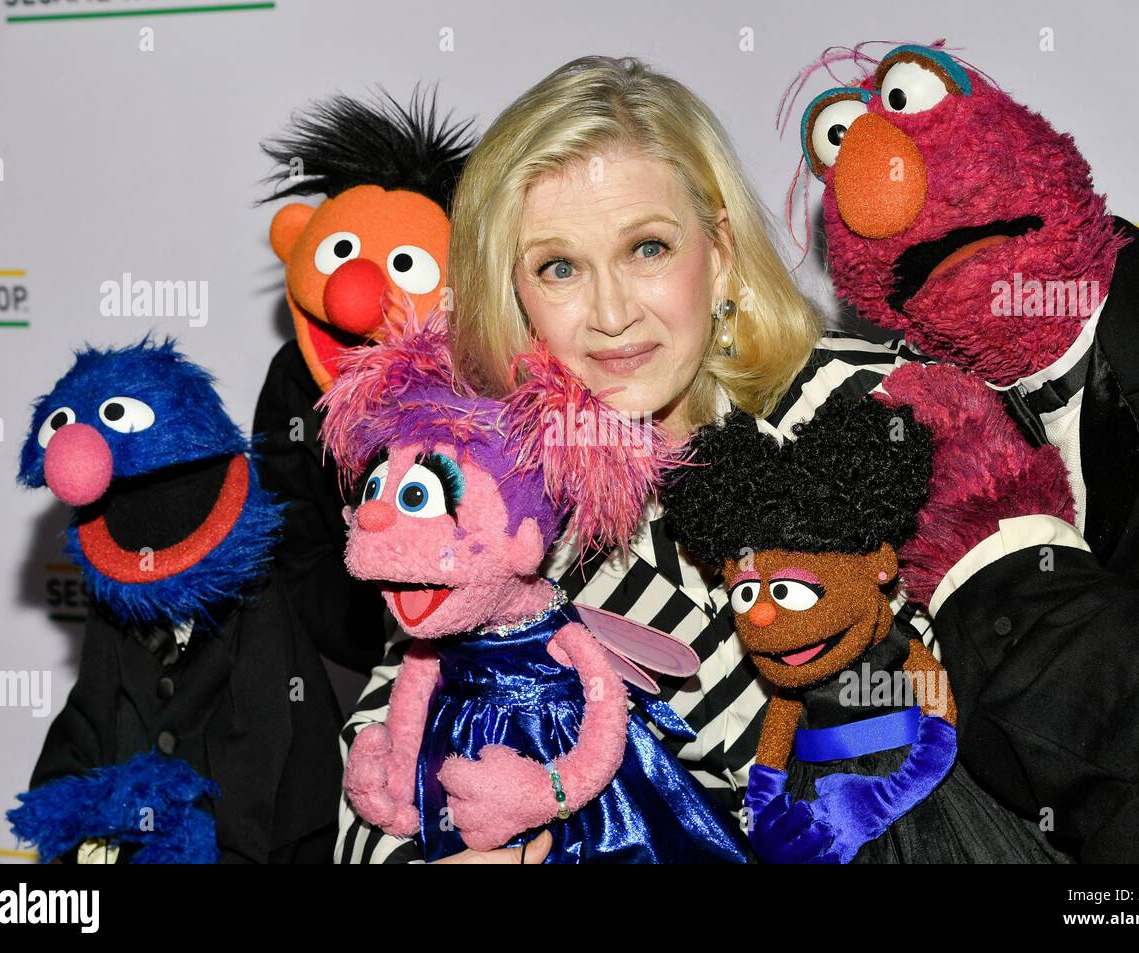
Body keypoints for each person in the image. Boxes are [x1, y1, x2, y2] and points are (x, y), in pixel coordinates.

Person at [335, 54, 1061, 863]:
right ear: (513, 293)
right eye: (560, 267)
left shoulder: (880, 407)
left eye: (647, 248)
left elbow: (1056, 678)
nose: (611, 313)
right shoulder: (510, 501)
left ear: (717, 251)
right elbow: (389, 723)